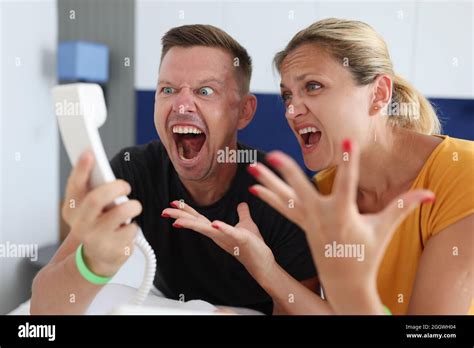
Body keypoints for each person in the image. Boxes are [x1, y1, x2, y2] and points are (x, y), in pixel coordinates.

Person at [167, 18, 474, 314]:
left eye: (313, 86)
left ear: (378, 95)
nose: (291, 110)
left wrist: (352, 286)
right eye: (287, 94)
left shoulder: (464, 174)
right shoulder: (324, 190)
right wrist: (262, 265)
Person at [30, 24, 318, 315]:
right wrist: (92, 263)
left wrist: (263, 268)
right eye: (167, 89)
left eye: (205, 91)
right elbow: (44, 310)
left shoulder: (281, 192)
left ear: (244, 111)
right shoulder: (134, 171)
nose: (181, 105)